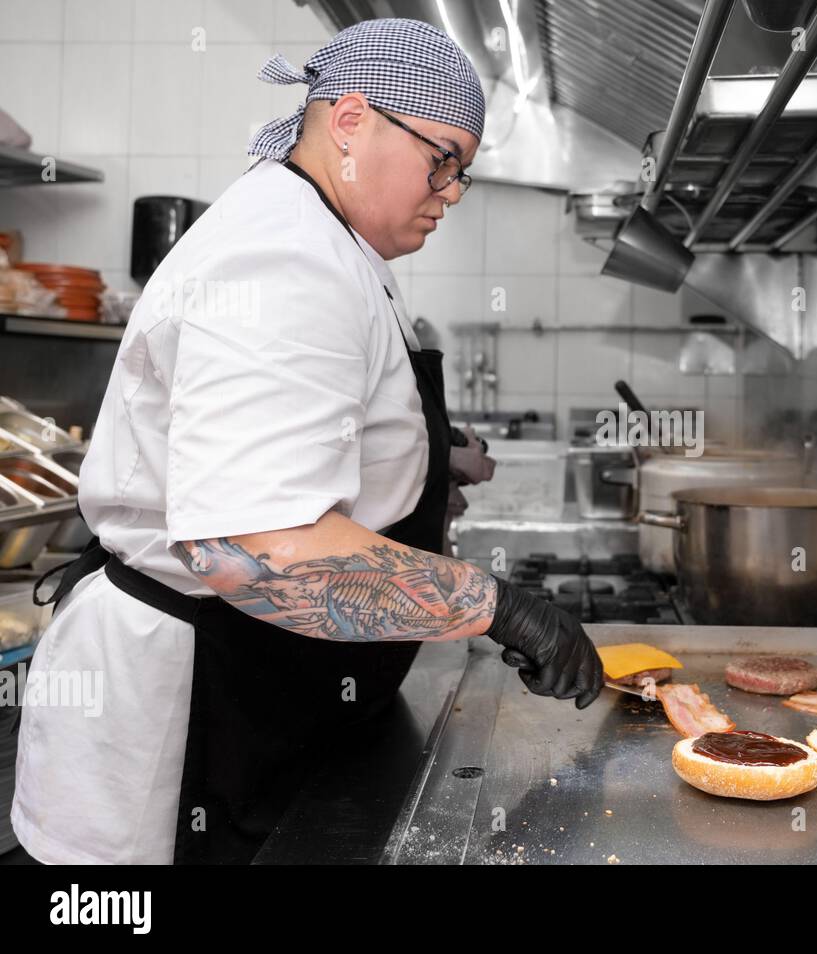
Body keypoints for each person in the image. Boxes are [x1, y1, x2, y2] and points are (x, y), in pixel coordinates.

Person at [13, 18, 602, 866]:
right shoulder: (284, 259)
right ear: (352, 120)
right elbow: (258, 551)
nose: (452, 191)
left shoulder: (334, 240)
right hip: (190, 713)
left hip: (258, 682)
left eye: (462, 171)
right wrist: (498, 606)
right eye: (442, 159)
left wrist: (431, 455)